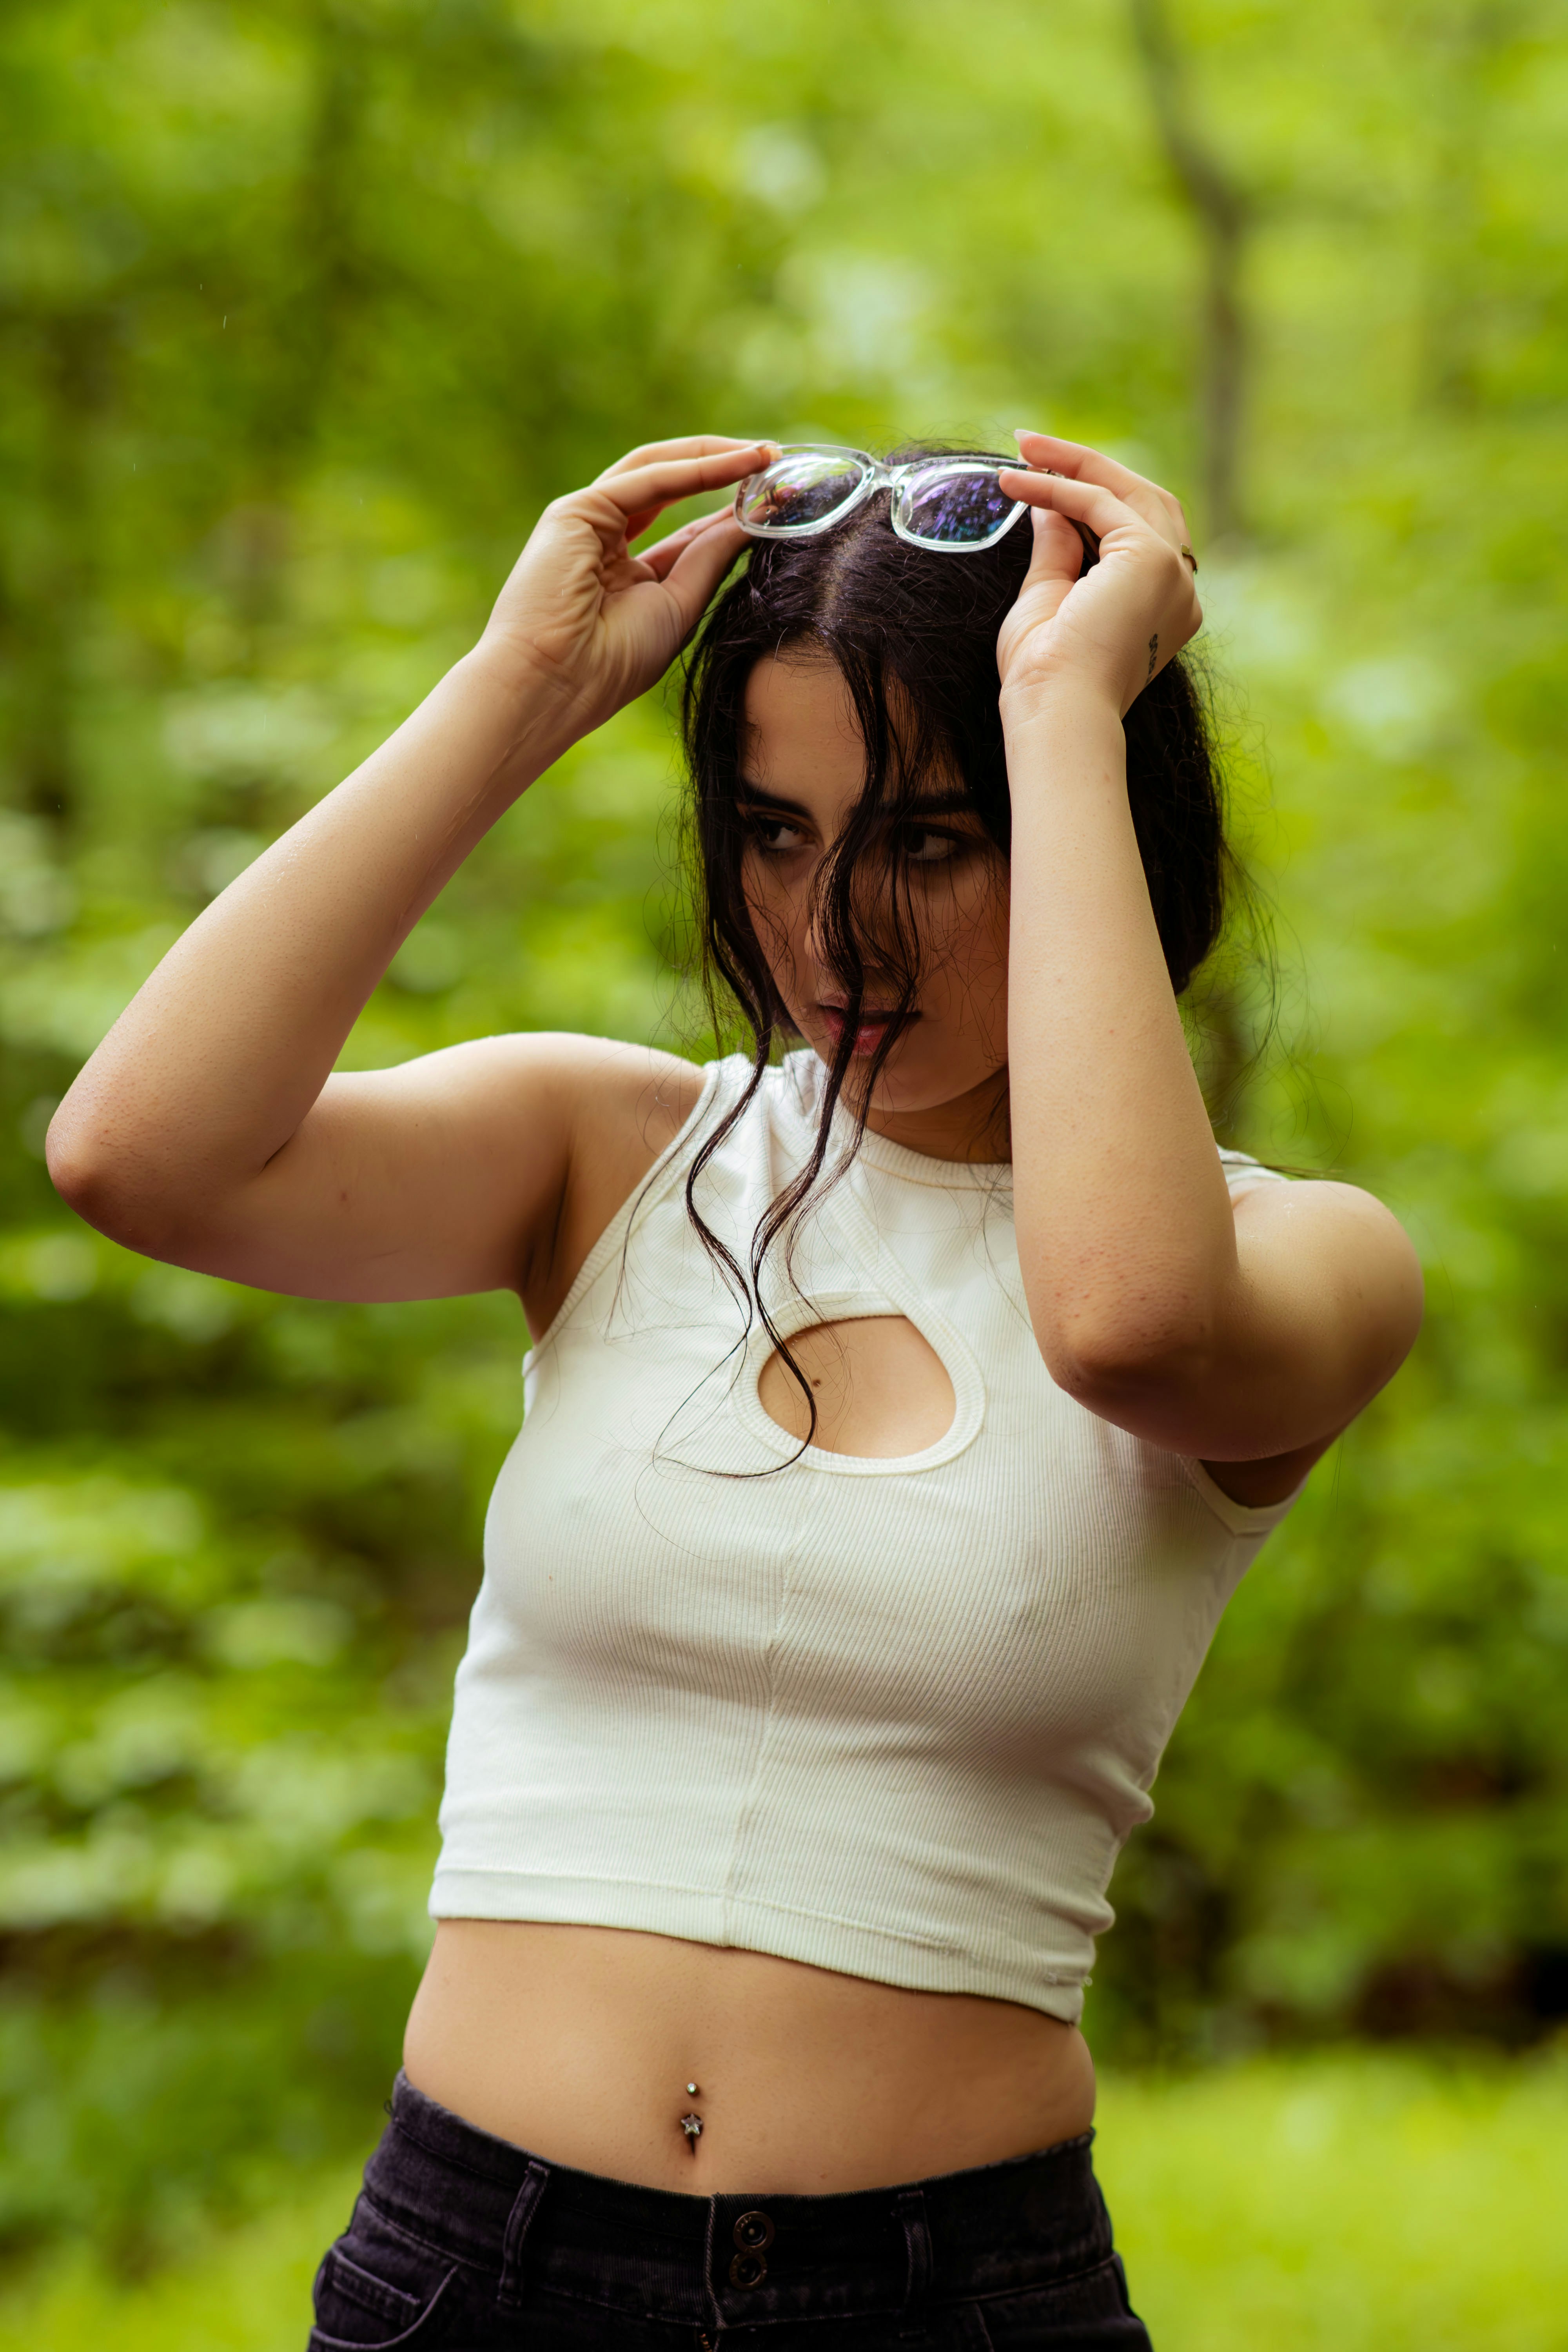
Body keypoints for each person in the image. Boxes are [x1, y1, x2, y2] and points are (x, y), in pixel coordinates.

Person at [47, 430, 1423, 2350]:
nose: (833, 928)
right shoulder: (604, 1149)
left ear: (1092, 805)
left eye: (927, 840)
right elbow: (140, 1160)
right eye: (775, 831)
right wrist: (519, 689)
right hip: (476, 2271)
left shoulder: (1307, 1261)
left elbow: (1117, 1327)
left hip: (957, 2297)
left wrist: (1060, 701)